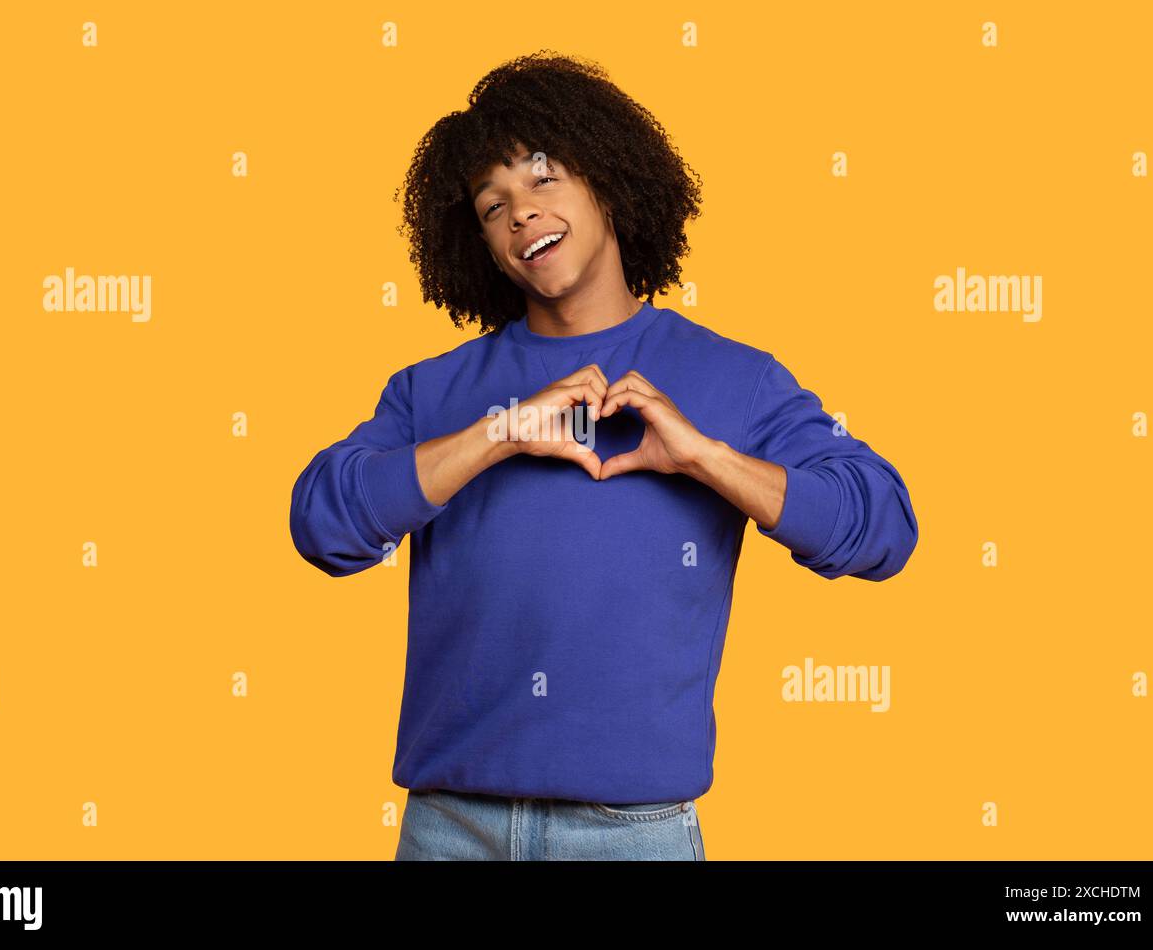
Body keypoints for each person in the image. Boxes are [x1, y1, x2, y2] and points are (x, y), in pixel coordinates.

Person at [290, 50, 919, 861]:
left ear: (608, 181)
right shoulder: (432, 392)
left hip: (635, 835)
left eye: (543, 179)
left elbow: (882, 528)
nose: (521, 213)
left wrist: (706, 458)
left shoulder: (734, 378)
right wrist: (499, 434)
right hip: (450, 827)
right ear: (477, 241)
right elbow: (323, 525)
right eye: (492, 205)